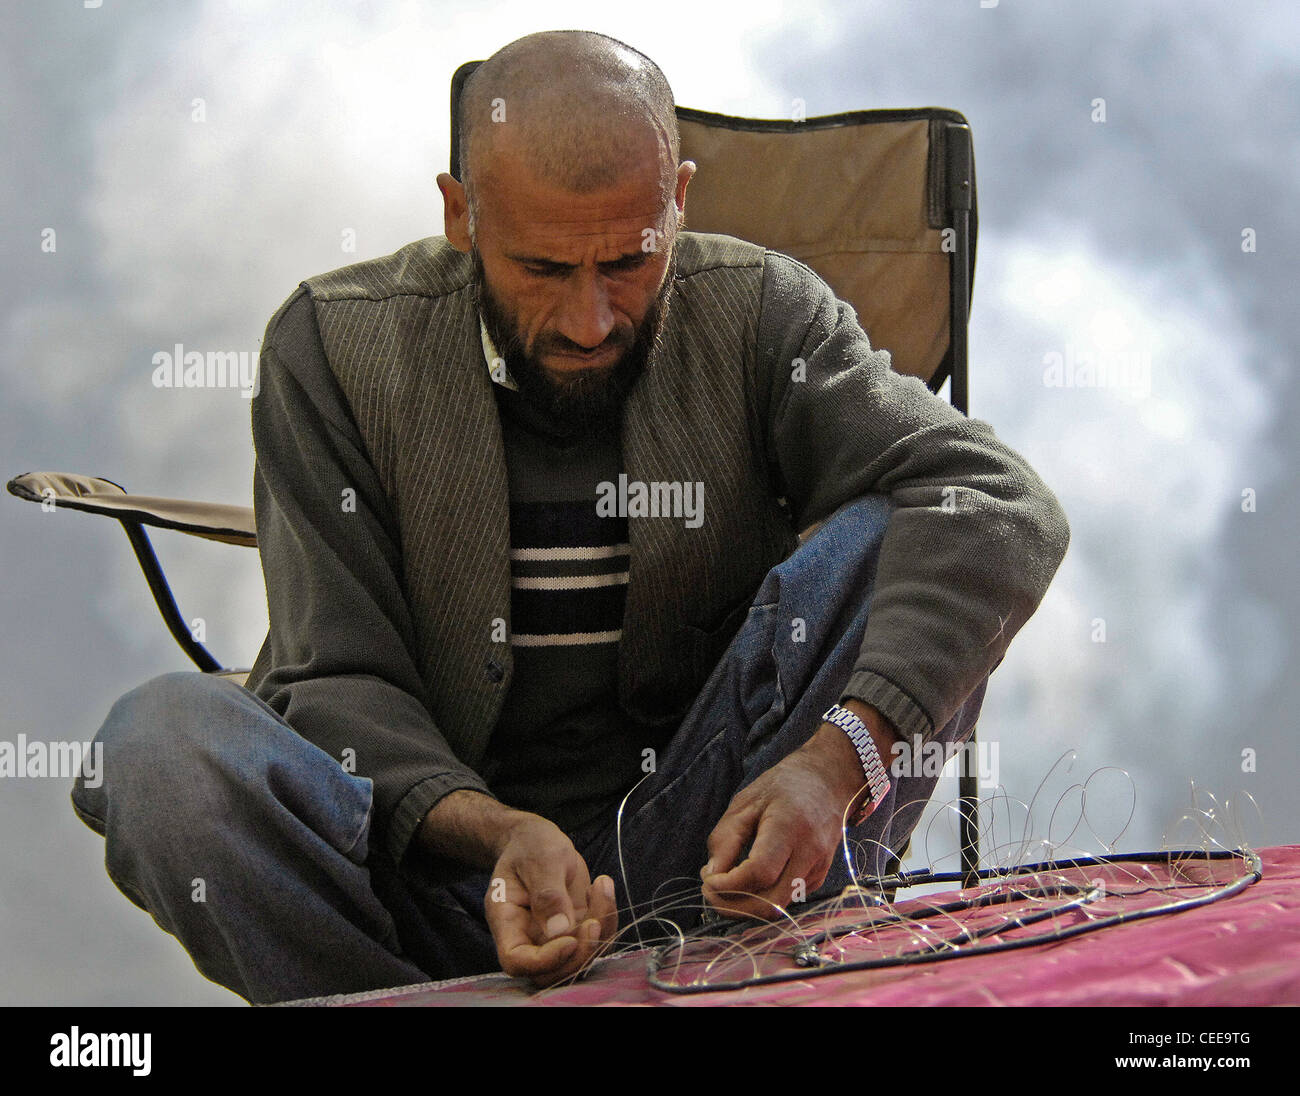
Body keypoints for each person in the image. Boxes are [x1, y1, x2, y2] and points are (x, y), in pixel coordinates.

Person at [71, 29, 1070, 1004]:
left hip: (716, 867)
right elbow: (335, 677)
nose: (591, 320)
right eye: (545, 272)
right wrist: (497, 831)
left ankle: (748, 973)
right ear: (461, 217)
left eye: (629, 264)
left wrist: (838, 758)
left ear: (677, 201)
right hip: (429, 885)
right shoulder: (331, 351)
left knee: (903, 533)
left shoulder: (765, 315)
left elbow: (996, 499)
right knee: (159, 749)